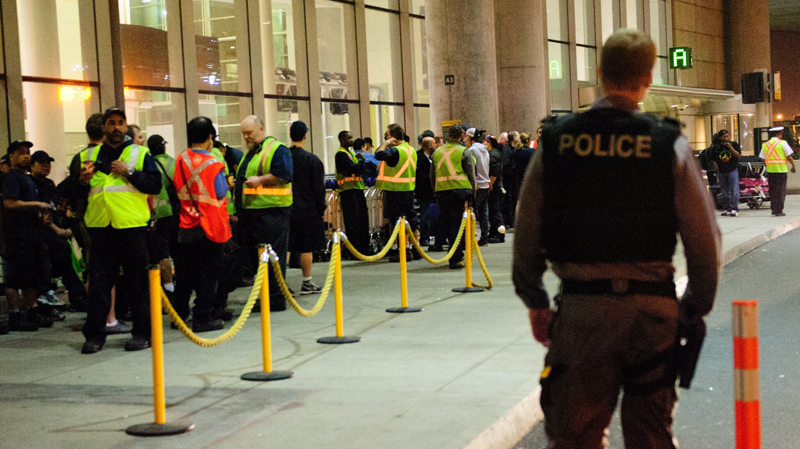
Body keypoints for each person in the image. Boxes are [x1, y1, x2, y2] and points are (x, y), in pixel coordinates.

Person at [513, 30, 721, 448]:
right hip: (652, 313)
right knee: (651, 436)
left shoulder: (557, 141)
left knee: (575, 436)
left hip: (581, 311)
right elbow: (704, 242)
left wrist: (535, 300)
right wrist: (693, 308)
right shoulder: (668, 143)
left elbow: (527, 228)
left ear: (599, 73)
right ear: (647, 77)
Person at [79, 107, 162, 354]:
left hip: (132, 228)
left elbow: (155, 186)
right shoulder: (89, 155)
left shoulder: (140, 153)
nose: (116, 127)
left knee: (138, 284)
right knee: (99, 287)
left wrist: (130, 172)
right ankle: (94, 336)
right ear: (104, 127)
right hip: (101, 229)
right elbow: (76, 192)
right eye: (111, 123)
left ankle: (142, 334)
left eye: (120, 123)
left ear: (126, 127)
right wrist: (82, 181)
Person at [172, 117, 232, 332]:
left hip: (185, 224)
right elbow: (220, 191)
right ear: (209, 138)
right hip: (210, 226)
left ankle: (178, 316)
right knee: (208, 275)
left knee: (185, 275)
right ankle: (202, 317)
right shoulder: (214, 164)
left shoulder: (180, 160)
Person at [236, 115, 293, 312]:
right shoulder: (252, 152)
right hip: (254, 213)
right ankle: (267, 297)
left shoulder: (277, 149)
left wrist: (260, 181)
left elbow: (285, 175)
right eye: (243, 133)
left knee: (271, 258)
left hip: (272, 212)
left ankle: (275, 298)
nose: (246, 137)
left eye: (249, 133)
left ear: (261, 129)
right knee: (260, 260)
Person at [2, 140, 54, 332]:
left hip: (31, 234)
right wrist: (36, 205)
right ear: (11, 157)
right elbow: (10, 203)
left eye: (27, 152)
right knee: (14, 277)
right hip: (16, 234)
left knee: (31, 275)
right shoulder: (12, 178)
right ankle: (15, 315)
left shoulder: (28, 179)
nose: (25, 156)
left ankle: (32, 311)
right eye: (20, 153)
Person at [30, 150, 87, 318]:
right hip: (39, 233)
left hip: (55, 231)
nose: (46, 165)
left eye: (48, 162)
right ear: (32, 166)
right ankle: (48, 296)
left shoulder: (50, 185)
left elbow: (57, 208)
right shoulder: (30, 184)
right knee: (56, 256)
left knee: (65, 258)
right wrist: (58, 230)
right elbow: (41, 214)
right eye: (41, 162)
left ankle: (76, 296)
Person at [287, 121, 326, 295]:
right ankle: (306, 282)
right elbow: (319, 188)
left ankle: (281, 283)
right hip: (307, 210)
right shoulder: (312, 160)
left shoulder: (283, 157)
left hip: (285, 208)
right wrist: (320, 209)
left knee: (285, 247)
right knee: (306, 248)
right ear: (304, 135)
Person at [430, 124, 476, 269]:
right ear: (462, 135)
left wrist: (435, 191)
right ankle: (455, 256)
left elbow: (432, 175)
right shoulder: (464, 151)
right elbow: (471, 174)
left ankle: (453, 253)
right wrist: (473, 191)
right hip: (460, 192)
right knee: (457, 224)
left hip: (442, 192)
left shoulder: (437, 152)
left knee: (446, 223)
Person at [375, 123, 418, 262]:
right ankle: (413, 248)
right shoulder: (411, 149)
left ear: (393, 137)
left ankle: (400, 250)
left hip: (394, 190)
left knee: (395, 222)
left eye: (387, 135)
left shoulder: (396, 151)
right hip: (408, 189)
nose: (385, 138)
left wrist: (386, 143)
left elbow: (378, 154)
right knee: (410, 220)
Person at [146, 134, 179, 297]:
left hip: (153, 215)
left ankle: (167, 286)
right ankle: (175, 286)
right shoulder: (173, 163)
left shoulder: (148, 164)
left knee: (160, 252)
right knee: (175, 249)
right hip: (172, 213)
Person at [335, 131, 371, 256]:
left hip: (357, 190)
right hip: (348, 192)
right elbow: (353, 169)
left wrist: (360, 166)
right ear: (341, 140)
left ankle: (364, 248)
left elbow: (361, 171)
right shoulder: (340, 155)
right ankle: (354, 249)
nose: (351, 140)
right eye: (348, 138)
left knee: (362, 220)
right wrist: (361, 162)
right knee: (352, 222)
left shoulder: (351, 154)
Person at [759, 126, 795, 217]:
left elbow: (763, 159)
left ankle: (774, 209)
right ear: (779, 133)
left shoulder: (765, 144)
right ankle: (779, 210)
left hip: (771, 171)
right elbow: (789, 156)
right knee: (781, 191)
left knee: (773, 191)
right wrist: (793, 166)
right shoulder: (783, 143)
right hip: (781, 170)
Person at [465, 128, 490, 246]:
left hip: (477, 185)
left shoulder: (472, 150)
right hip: (485, 183)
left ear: (469, 138)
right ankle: (484, 236)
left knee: (471, 210)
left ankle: (470, 236)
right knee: (483, 212)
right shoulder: (485, 150)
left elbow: (471, 168)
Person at [709, 129, 741, 216]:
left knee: (734, 190)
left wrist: (730, 147)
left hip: (732, 170)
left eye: (727, 136)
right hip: (722, 171)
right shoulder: (716, 146)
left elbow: (738, 156)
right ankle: (727, 209)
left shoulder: (734, 144)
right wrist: (717, 167)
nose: (726, 138)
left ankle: (734, 208)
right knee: (724, 191)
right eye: (724, 136)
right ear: (720, 137)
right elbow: (713, 158)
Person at [415, 136, 438, 247]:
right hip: (424, 191)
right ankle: (424, 238)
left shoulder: (435, 156)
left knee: (436, 215)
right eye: (434, 143)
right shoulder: (418, 157)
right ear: (429, 145)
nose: (436, 145)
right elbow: (419, 175)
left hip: (435, 190)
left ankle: (438, 236)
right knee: (425, 215)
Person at [487, 136, 505, 243]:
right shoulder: (495, 152)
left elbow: (494, 170)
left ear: (489, 143)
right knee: (494, 210)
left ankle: (499, 234)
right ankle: (494, 232)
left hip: (494, 186)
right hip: (496, 185)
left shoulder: (493, 154)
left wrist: (490, 183)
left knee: (495, 210)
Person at [513, 132, 534, 199]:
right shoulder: (531, 151)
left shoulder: (515, 151)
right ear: (527, 140)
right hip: (528, 176)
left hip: (518, 176)